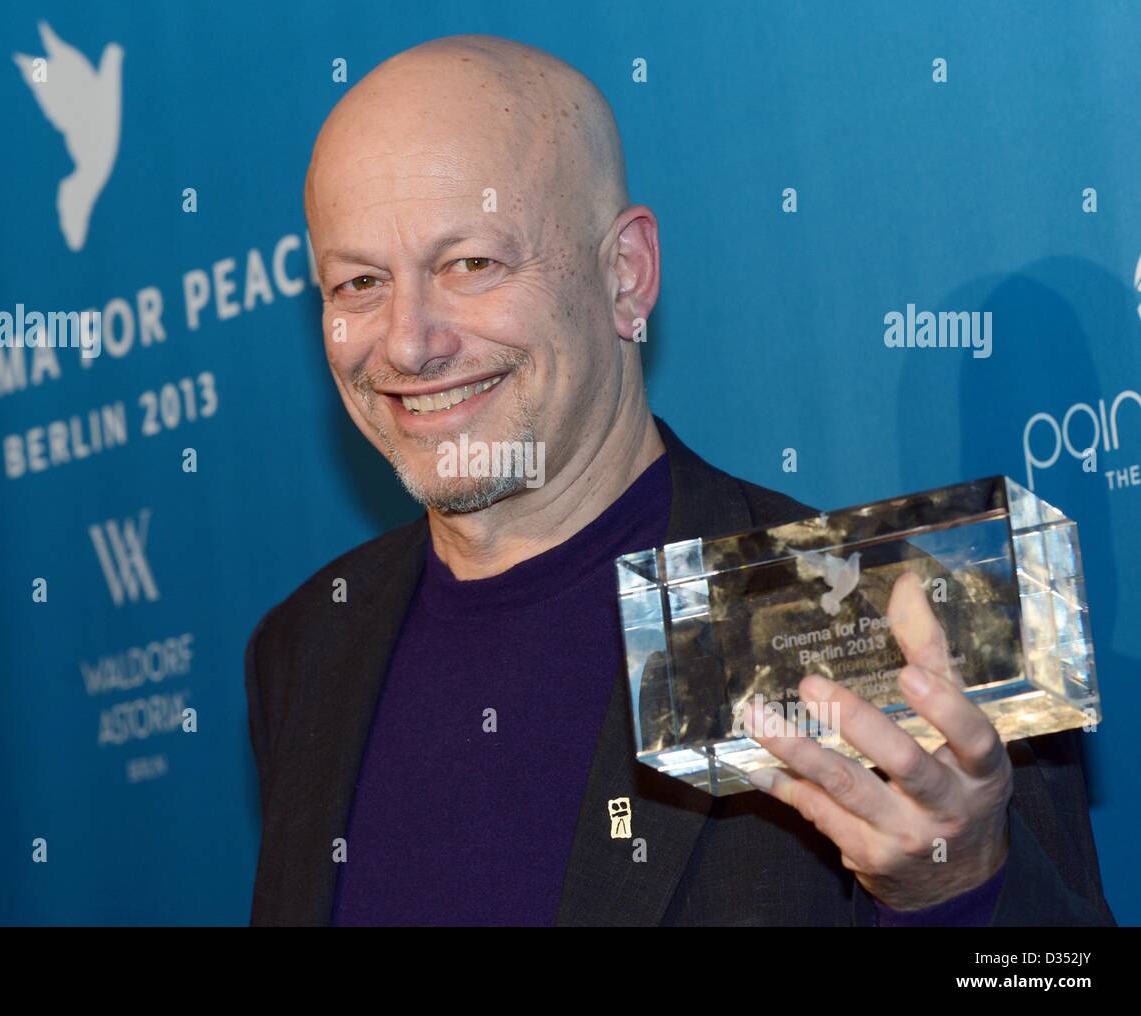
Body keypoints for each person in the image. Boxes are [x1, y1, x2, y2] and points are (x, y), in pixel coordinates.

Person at [245, 34, 1114, 926]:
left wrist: (958, 886)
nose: (407, 341)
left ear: (626, 274)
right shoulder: (308, 647)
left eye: (471, 264)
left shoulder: (911, 620)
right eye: (357, 282)